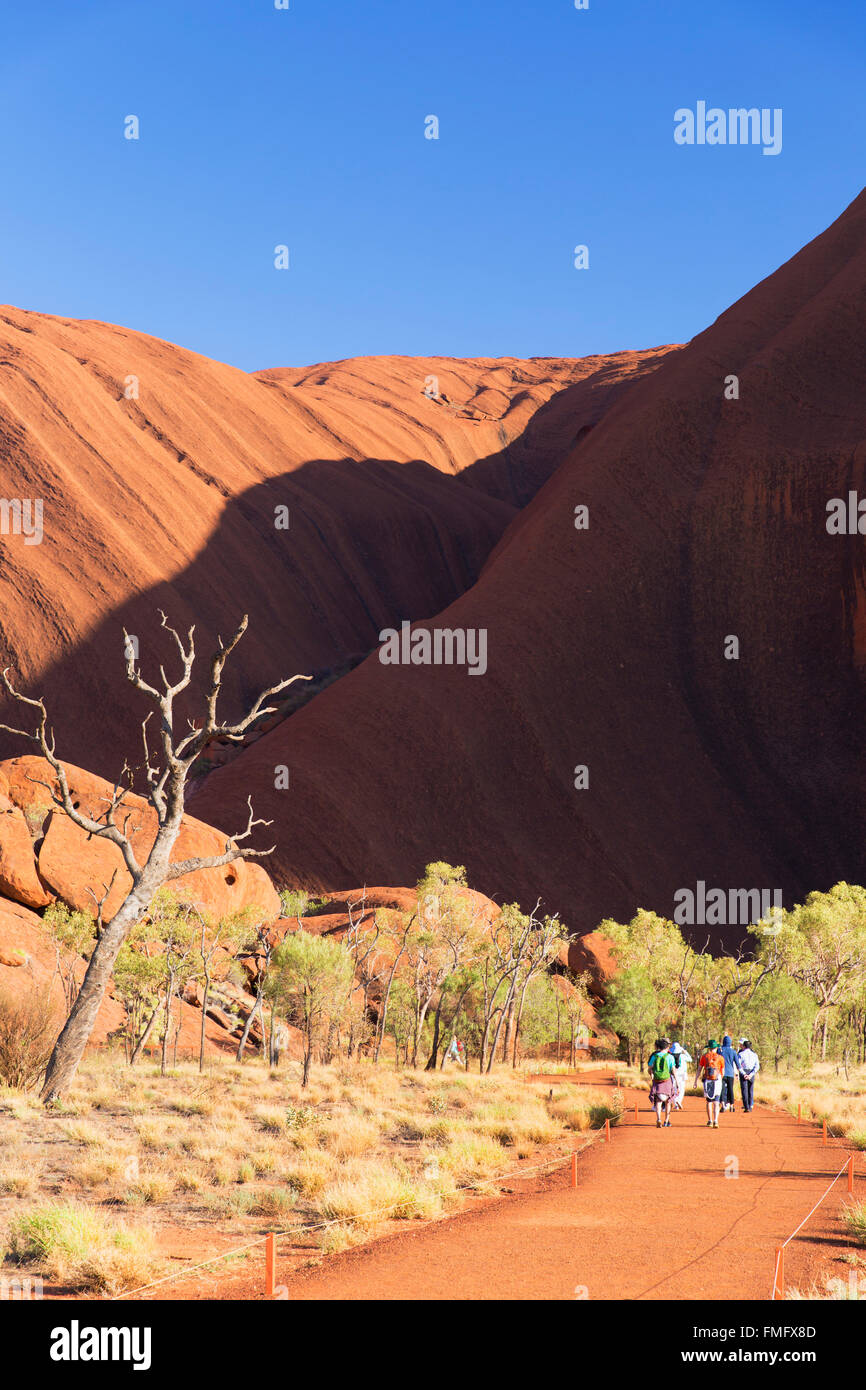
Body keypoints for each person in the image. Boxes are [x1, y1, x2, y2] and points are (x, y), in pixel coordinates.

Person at [647, 1038, 677, 1128]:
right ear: (667, 1047)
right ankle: (666, 1121)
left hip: (657, 1081)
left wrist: (651, 1074)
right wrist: (677, 1081)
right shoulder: (670, 1057)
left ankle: (658, 1119)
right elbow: (673, 1070)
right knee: (668, 1101)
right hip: (667, 1080)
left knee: (658, 1101)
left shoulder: (654, 1056)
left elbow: (649, 1068)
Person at [698, 1039, 725, 1127]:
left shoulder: (704, 1057)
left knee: (709, 1101)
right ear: (716, 1048)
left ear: (709, 1048)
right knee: (716, 1101)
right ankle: (716, 1121)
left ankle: (709, 1120)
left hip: (707, 1080)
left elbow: (699, 1069)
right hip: (717, 1080)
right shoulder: (720, 1058)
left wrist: (695, 1080)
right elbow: (723, 1072)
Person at [737, 1038, 760, 1112]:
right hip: (752, 1072)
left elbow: (739, 1065)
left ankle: (746, 1106)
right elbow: (757, 1066)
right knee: (750, 1090)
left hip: (744, 1071)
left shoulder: (740, 1054)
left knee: (744, 1090)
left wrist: (744, 1074)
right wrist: (751, 1074)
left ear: (744, 1046)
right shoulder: (754, 1054)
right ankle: (750, 1106)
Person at [668, 1041, 692, 1111]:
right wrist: (685, 1051)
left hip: (674, 1074)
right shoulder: (683, 1056)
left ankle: (676, 1103)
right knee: (682, 1089)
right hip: (682, 1074)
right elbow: (690, 1059)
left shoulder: (671, 1056)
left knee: (674, 1089)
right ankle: (679, 1101)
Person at [718, 1034, 739, 1111]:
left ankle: (723, 1104)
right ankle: (731, 1106)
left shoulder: (720, 1050)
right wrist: (738, 1074)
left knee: (722, 1089)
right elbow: (737, 1064)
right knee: (730, 1089)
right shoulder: (733, 1051)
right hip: (730, 1073)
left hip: (721, 1073)